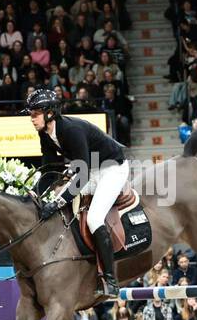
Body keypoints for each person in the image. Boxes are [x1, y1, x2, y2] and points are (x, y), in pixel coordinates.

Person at [27, 87, 129, 298]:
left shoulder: (71, 130)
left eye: (35, 113)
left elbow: (81, 177)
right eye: (31, 113)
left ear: (49, 113)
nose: (32, 118)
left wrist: (55, 202)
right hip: (91, 170)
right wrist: (34, 194)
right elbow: (49, 169)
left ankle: (110, 279)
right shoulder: (44, 133)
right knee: (66, 209)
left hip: (112, 168)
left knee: (94, 218)